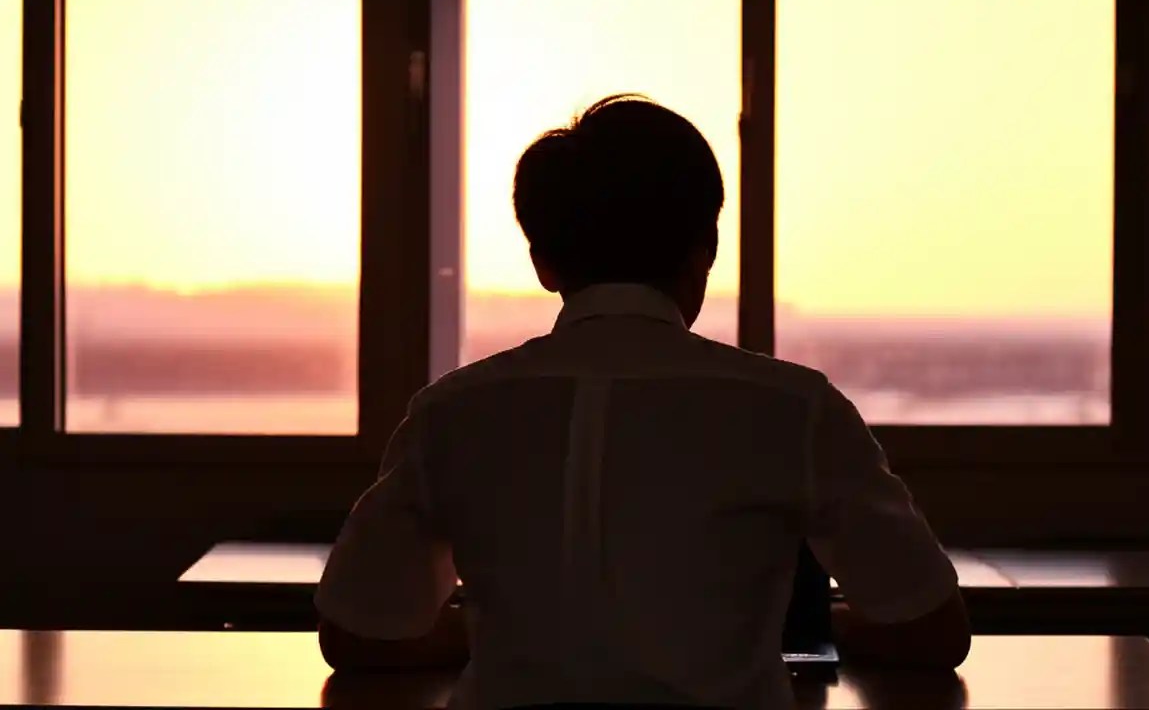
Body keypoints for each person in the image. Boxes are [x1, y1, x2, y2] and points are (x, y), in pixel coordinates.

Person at [315, 95, 970, 709]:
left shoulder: (448, 414)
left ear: (543, 262)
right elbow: (932, 630)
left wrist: (496, 634)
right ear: (705, 250)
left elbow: (358, 636)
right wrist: (790, 629)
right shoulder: (795, 409)